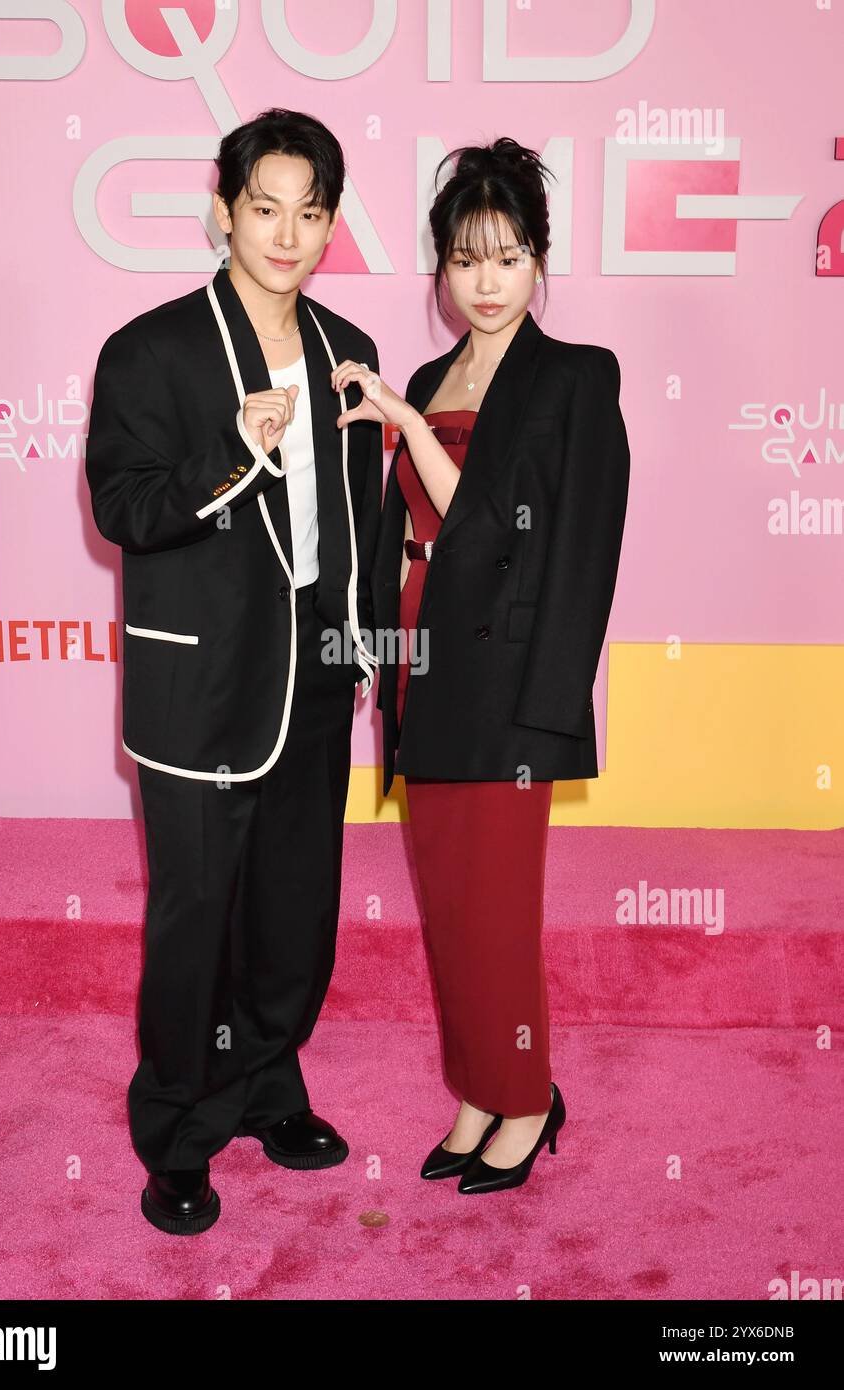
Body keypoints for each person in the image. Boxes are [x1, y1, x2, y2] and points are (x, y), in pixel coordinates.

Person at [84, 108, 383, 1234]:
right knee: (197, 912)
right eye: (266, 208)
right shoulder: (148, 350)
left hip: (313, 671)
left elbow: (363, 520)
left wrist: (362, 654)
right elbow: (123, 507)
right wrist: (233, 454)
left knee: (294, 909)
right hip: (202, 686)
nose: (288, 233)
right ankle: (176, 1127)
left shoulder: (348, 348)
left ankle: (267, 1084)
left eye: (311, 213)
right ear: (224, 211)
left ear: (329, 224)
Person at [356, 138, 630, 1194]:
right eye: (467, 259)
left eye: (507, 258)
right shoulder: (428, 375)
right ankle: (476, 1085)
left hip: (513, 687)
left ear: (539, 262)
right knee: (447, 902)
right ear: (442, 267)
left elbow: (568, 551)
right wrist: (381, 660)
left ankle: (527, 1096)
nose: (486, 280)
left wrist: (553, 701)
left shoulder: (574, 378)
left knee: (500, 905)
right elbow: (400, 537)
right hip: (427, 677)